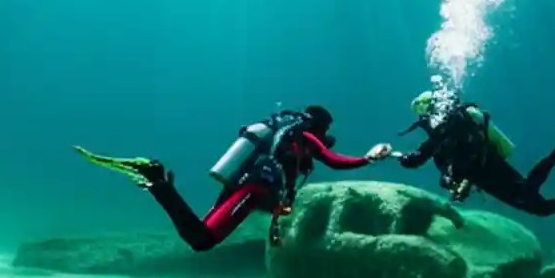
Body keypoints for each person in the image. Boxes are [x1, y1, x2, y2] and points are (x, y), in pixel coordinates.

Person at [76, 105, 392, 250]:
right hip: (254, 189)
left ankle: (159, 184)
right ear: (320, 127)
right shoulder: (305, 135)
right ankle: (156, 177)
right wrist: (367, 158)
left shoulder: (284, 132)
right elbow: (334, 161)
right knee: (202, 240)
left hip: (242, 183)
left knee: (199, 237)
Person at [396, 91, 555, 217]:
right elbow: (437, 161)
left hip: (488, 171)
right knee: (540, 207)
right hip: (487, 170)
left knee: (528, 194)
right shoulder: (453, 125)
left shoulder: (447, 128)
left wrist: (396, 155)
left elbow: (418, 158)